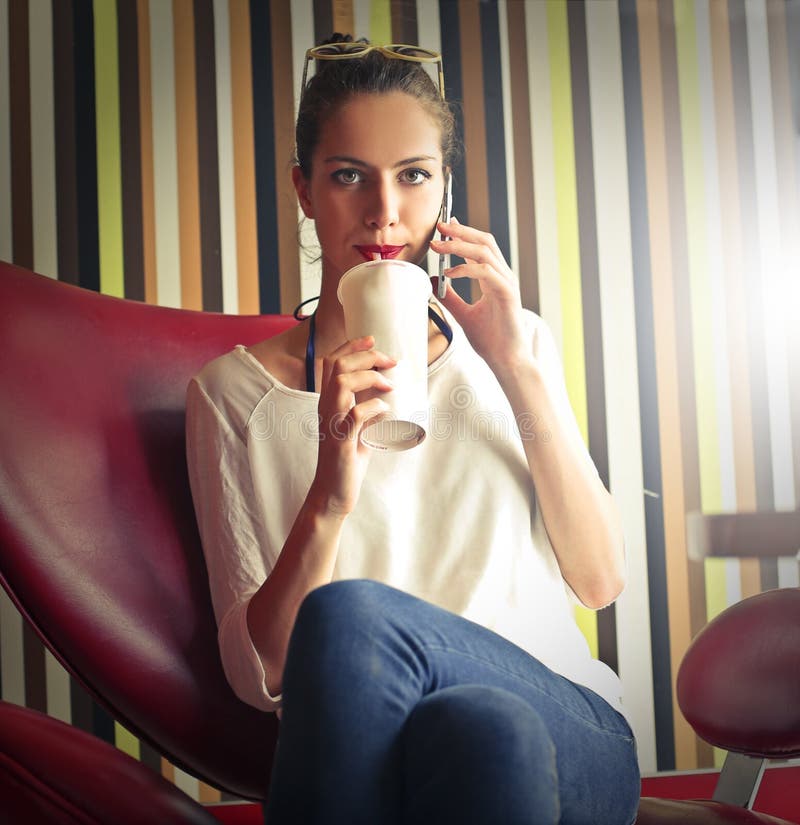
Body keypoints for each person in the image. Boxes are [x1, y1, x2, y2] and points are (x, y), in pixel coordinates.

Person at [186, 36, 640, 825]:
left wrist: (517, 367)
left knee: (358, 617)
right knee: (481, 732)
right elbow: (260, 672)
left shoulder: (512, 348)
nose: (385, 213)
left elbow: (598, 581)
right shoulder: (232, 395)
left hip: (573, 727)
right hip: (407, 751)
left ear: (445, 190)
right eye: (349, 175)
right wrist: (331, 490)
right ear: (304, 189)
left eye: (414, 176)